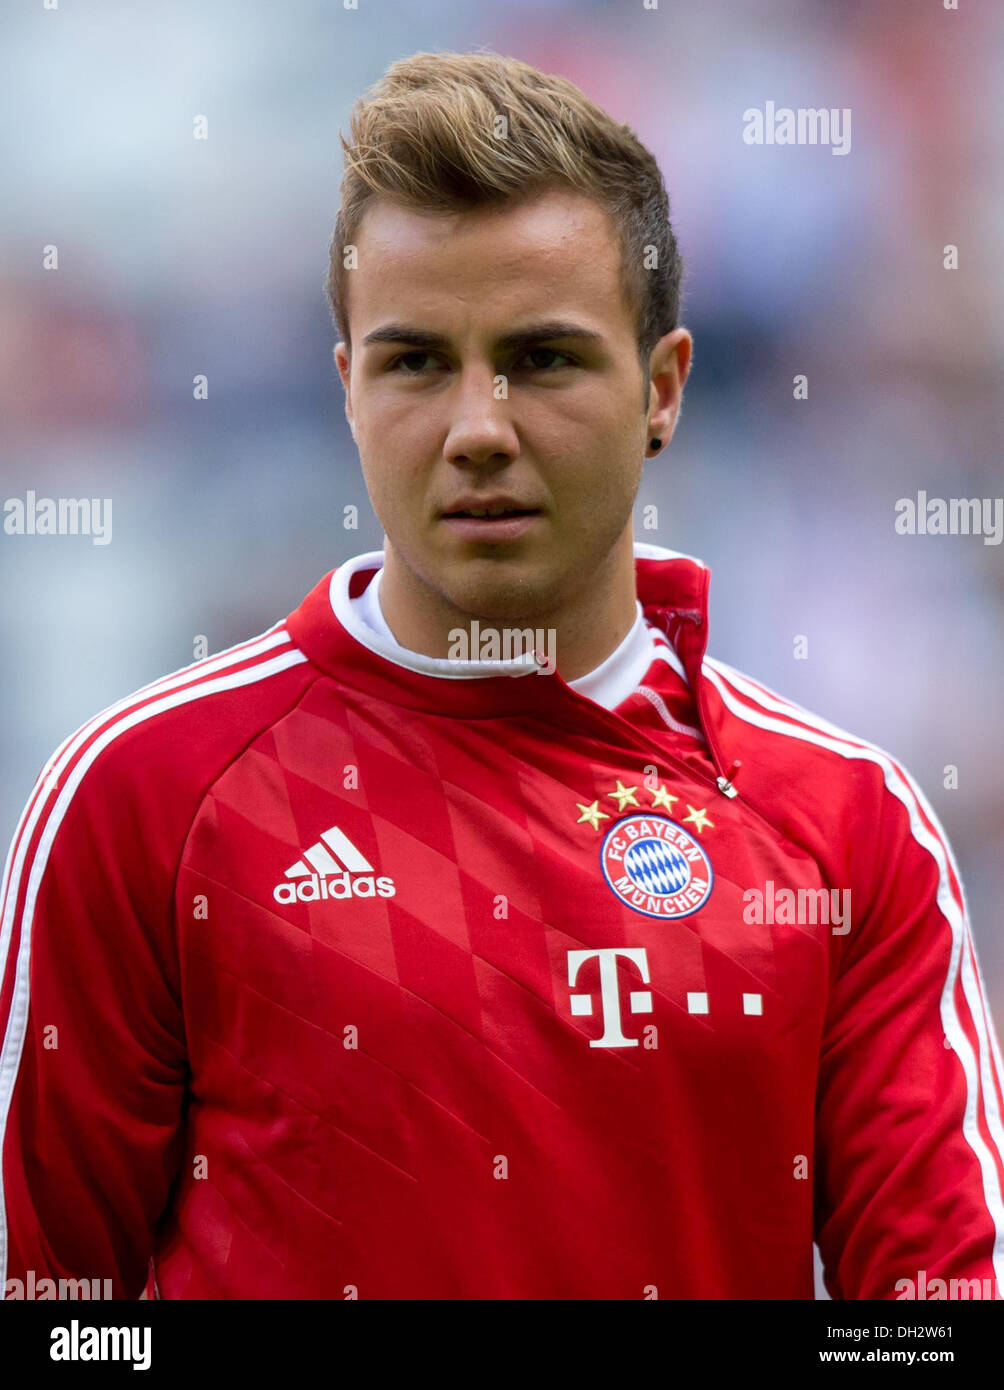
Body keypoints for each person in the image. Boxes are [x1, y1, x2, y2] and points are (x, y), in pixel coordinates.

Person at [2, 50, 1002, 1302]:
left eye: (542, 359)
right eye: (416, 362)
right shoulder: (140, 798)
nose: (478, 427)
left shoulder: (844, 825)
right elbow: (58, 1317)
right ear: (348, 391)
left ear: (662, 389)